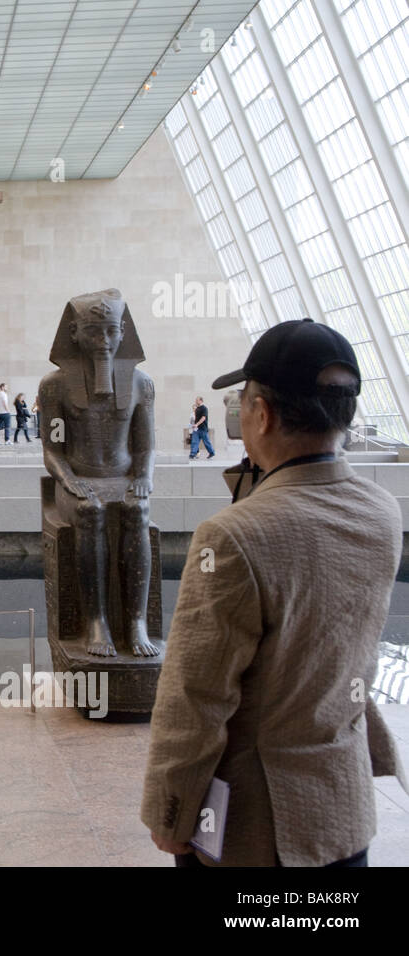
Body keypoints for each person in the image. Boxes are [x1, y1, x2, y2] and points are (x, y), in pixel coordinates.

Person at [142, 318, 404, 867]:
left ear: (261, 414)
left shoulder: (233, 536)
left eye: (242, 401)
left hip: (256, 830)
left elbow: (196, 696)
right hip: (342, 812)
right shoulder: (382, 513)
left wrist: (170, 814)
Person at [190, 395, 215, 460]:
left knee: (206, 442)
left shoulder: (204, 408)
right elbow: (196, 418)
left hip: (203, 429)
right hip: (196, 429)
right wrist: (194, 425)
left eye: (197, 400)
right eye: (196, 400)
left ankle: (211, 452)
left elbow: (203, 418)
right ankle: (192, 454)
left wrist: (197, 424)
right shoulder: (197, 409)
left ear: (201, 401)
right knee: (194, 441)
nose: (196, 401)